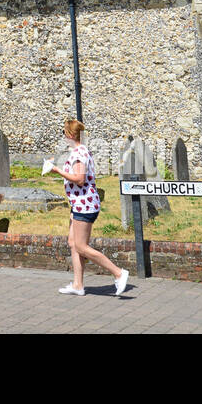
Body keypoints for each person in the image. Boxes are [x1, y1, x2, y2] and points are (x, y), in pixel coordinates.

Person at [44, 118, 129, 297]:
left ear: (70, 134)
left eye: (64, 132)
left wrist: (57, 171)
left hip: (85, 205)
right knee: (73, 243)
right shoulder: (78, 151)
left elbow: (80, 179)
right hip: (79, 203)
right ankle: (77, 285)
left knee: (81, 246)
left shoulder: (78, 154)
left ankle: (119, 273)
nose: (64, 136)